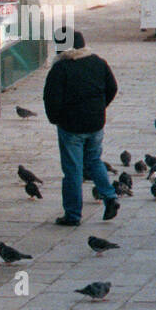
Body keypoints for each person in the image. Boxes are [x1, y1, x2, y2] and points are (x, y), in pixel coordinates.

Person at [42, 30, 119, 225]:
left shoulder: (61, 69)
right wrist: (100, 107)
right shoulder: (98, 62)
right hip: (95, 124)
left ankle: (73, 215)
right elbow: (112, 88)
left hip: (71, 127)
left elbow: (51, 99)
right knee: (94, 160)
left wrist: (57, 119)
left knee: (73, 170)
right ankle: (110, 196)